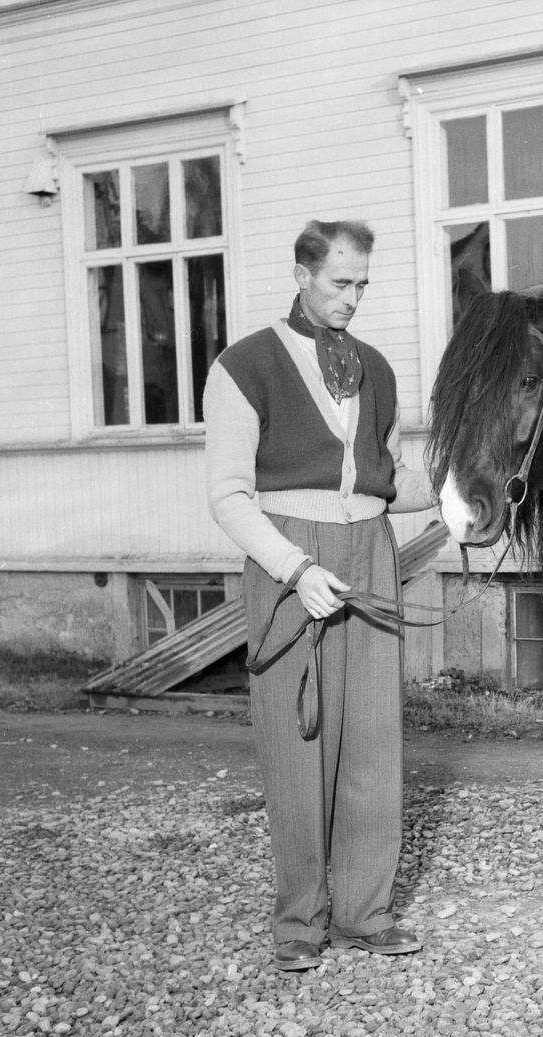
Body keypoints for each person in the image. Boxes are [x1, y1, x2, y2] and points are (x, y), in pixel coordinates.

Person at [204, 220, 437, 971]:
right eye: (342, 283)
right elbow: (230, 498)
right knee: (296, 743)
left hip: (370, 553)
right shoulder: (244, 365)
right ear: (302, 274)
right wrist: (295, 570)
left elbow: (384, 481)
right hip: (286, 561)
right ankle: (298, 921)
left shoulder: (376, 367)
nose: (354, 298)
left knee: (372, 738)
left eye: (363, 283)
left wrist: (461, 498)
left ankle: (367, 913)